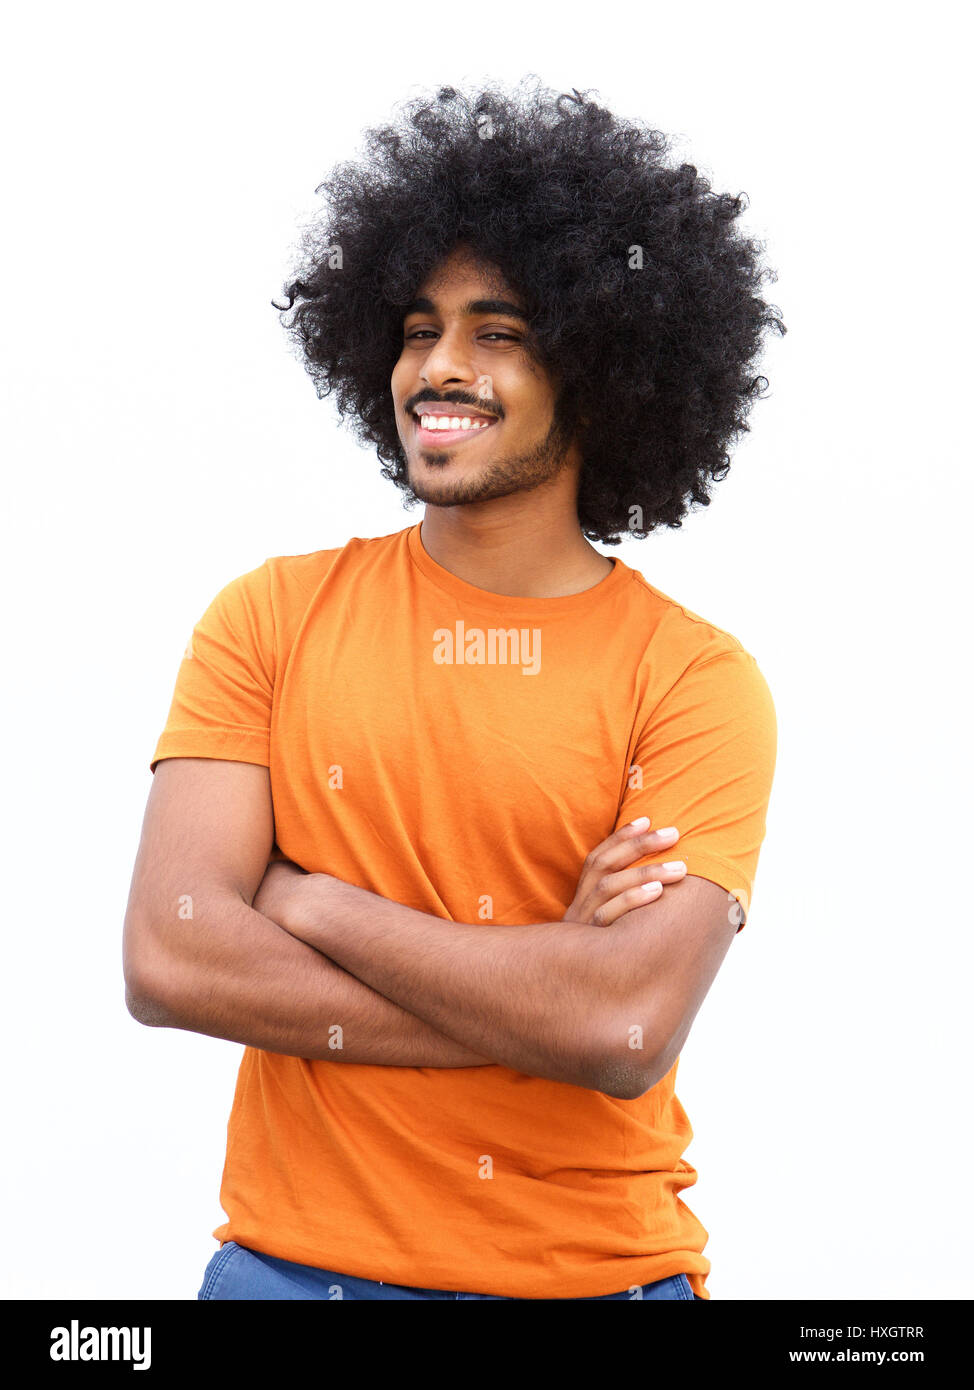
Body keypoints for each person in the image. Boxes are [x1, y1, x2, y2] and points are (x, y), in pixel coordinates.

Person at [123, 79, 785, 1302]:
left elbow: (625, 1031)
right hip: (288, 1277)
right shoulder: (267, 616)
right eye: (420, 328)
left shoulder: (693, 679)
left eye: (499, 332)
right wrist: (539, 994)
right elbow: (171, 960)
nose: (441, 367)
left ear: (598, 368)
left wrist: (312, 903)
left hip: (593, 1283)